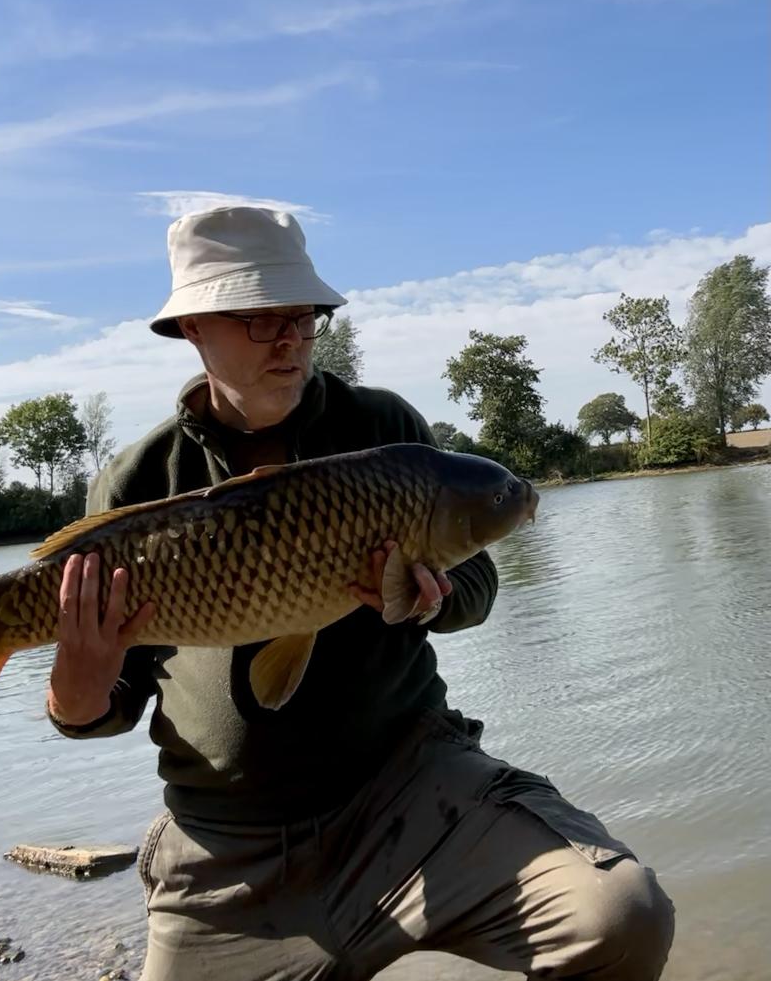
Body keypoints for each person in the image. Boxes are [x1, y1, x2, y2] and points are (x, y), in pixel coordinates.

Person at [45, 206, 675, 981]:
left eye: (304, 316)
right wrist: (74, 688)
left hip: (415, 798)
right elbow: (106, 704)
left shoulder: (381, 427)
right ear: (193, 329)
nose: (291, 339)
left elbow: (476, 584)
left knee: (621, 914)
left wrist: (427, 597)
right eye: (260, 318)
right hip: (227, 854)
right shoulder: (138, 480)